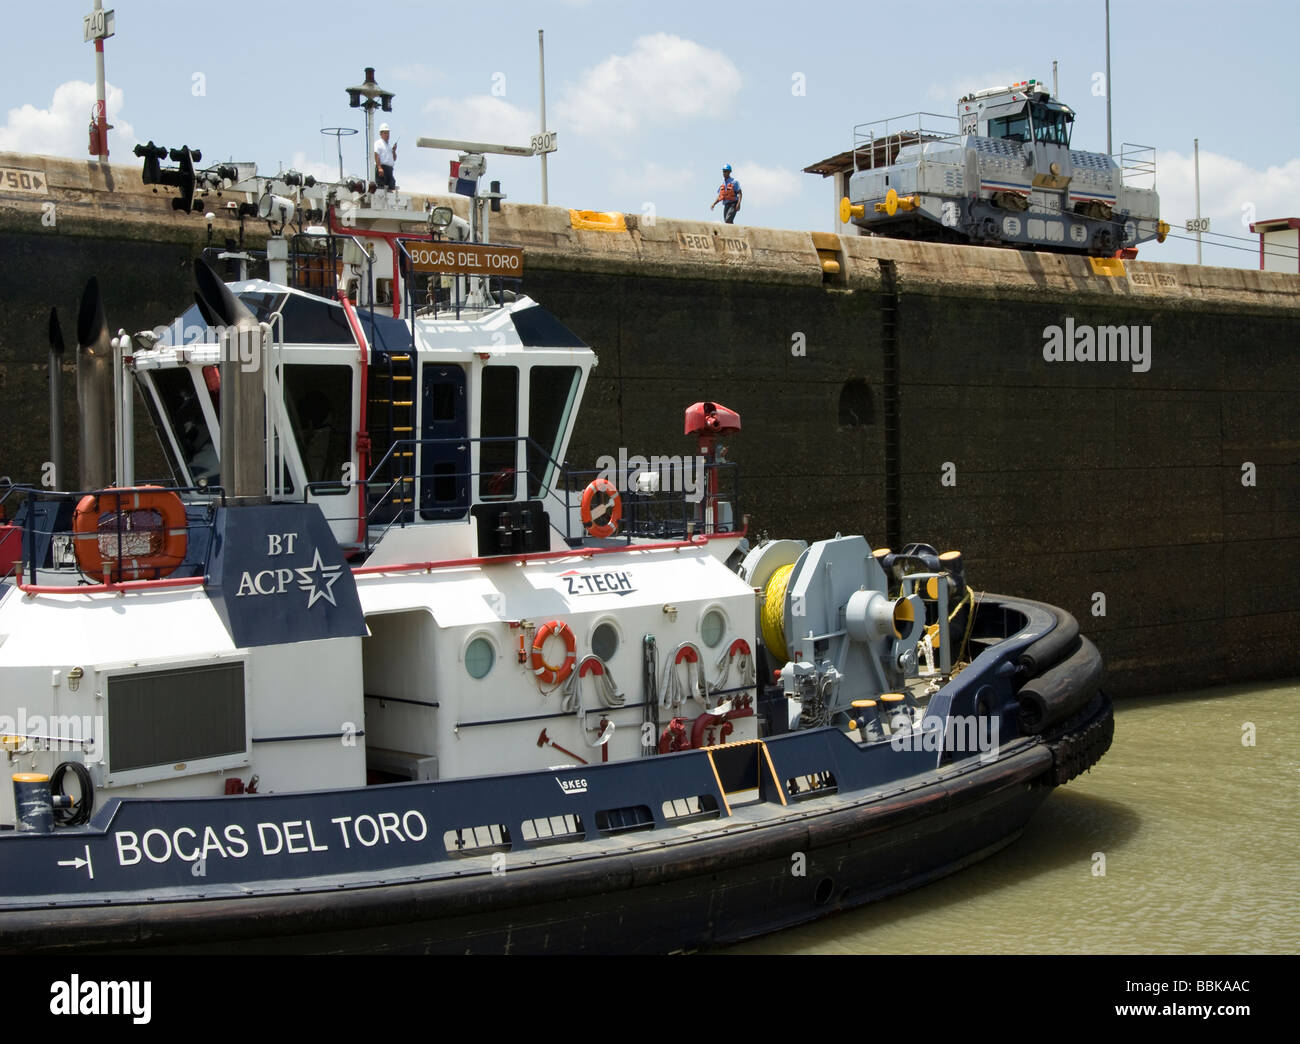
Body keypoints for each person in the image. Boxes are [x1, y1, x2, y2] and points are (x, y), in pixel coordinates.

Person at [374, 123, 397, 189]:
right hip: (382, 168)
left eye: (388, 133)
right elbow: (376, 154)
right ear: (381, 134)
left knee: (392, 186)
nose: (387, 135)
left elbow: (394, 159)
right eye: (385, 133)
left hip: (389, 169)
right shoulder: (378, 143)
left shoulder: (389, 146)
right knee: (381, 187)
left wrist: (394, 151)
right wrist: (379, 167)